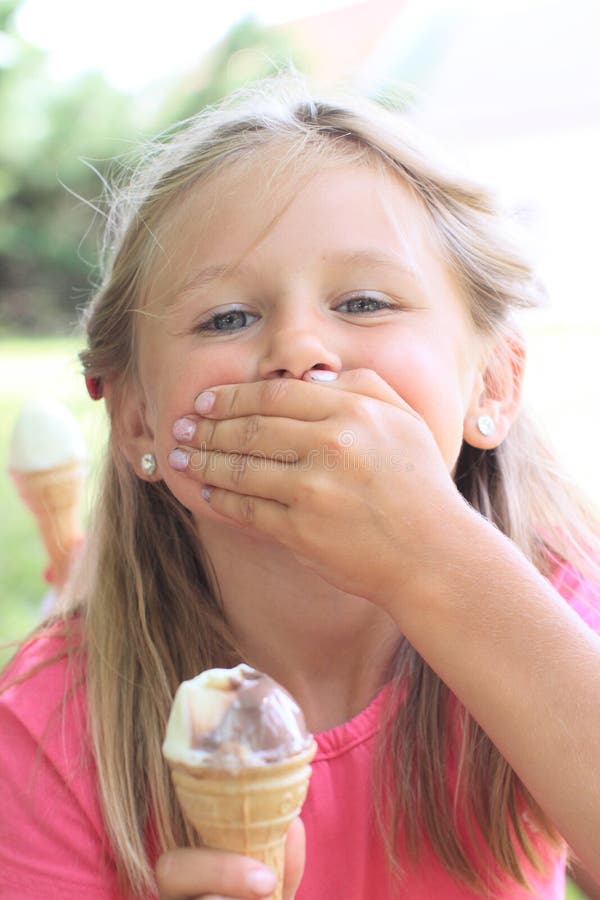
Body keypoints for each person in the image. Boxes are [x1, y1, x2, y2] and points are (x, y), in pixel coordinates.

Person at [1, 76, 600, 900]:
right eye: (227, 318)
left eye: (363, 301)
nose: (300, 348)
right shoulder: (46, 730)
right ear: (137, 420)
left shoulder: (556, 612)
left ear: (492, 384)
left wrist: (434, 557)